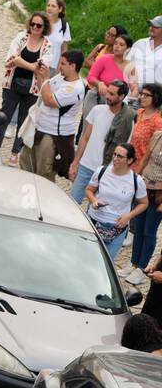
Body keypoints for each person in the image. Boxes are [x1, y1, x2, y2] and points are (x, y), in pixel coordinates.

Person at [18, 51, 85, 182]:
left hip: (53, 135)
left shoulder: (75, 88)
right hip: (38, 128)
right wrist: (39, 75)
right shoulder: (60, 77)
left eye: (63, 64)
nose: (60, 66)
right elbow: (42, 90)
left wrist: (46, 78)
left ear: (73, 66)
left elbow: (49, 101)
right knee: (25, 163)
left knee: (44, 172)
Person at [0, 12, 50, 164]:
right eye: (33, 24)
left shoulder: (47, 45)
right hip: (12, 83)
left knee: (24, 119)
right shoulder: (21, 37)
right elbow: (12, 58)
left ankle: (15, 152)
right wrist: (32, 66)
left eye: (39, 25)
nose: (35, 27)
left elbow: (43, 67)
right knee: (5, 114)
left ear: (44, 28)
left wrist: (23, 63)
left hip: (32, 88)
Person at [69, 81, 134, 205]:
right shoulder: (97, 110)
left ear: (121, 97)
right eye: (107, 92)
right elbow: (85, 138)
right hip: (86, 166)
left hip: (107, 171)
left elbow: (125, 148)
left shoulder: (128, 119)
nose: (107, 96)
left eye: (112, 94)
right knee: (72, 203)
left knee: (96, 207)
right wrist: (75, 162)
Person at [86, 144, 148, 264]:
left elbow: (144, 203)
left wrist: (129, 216)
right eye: (114, 154)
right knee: (87, 259)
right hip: (93, 223)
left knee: (105, 264)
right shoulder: (102, 171)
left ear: (129, 160)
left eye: (120, 156)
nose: (115, 158)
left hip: (117, 229)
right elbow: (89, 190)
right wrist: (94, 200)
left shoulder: (136, 181)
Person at [132, 122, 162, 284]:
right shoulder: (157, 135)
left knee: (149, 231)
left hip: (159, 194)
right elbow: (145, 159)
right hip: (145, 188)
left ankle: (142, 268)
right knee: (138, 227)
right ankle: (134, 264)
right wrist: (135, 179)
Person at [87, 32, 137, 101]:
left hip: (117, 101)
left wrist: (131, 102)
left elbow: (134, 88)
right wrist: (99, 83)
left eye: (121, 45)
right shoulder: (104, 59)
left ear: (128, 49)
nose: (117, 46)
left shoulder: (130, 67)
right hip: (98, 96)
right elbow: (90, 77)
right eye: (115, 43)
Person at [126, 16, 162, 108]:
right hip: (130, 93)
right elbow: (127, 64)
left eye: (156, 26)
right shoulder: (140, 43)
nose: (151, 28)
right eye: (150, 25)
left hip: (151, 99)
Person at [42, 0, 70, 69]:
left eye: (53, 6)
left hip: (53, 67)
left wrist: (59, 69)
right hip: (38, 64)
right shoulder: (41, 22)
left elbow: (64, 50)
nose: (49, 8)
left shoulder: (64, 25)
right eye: (48, 5)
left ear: (60, 9)